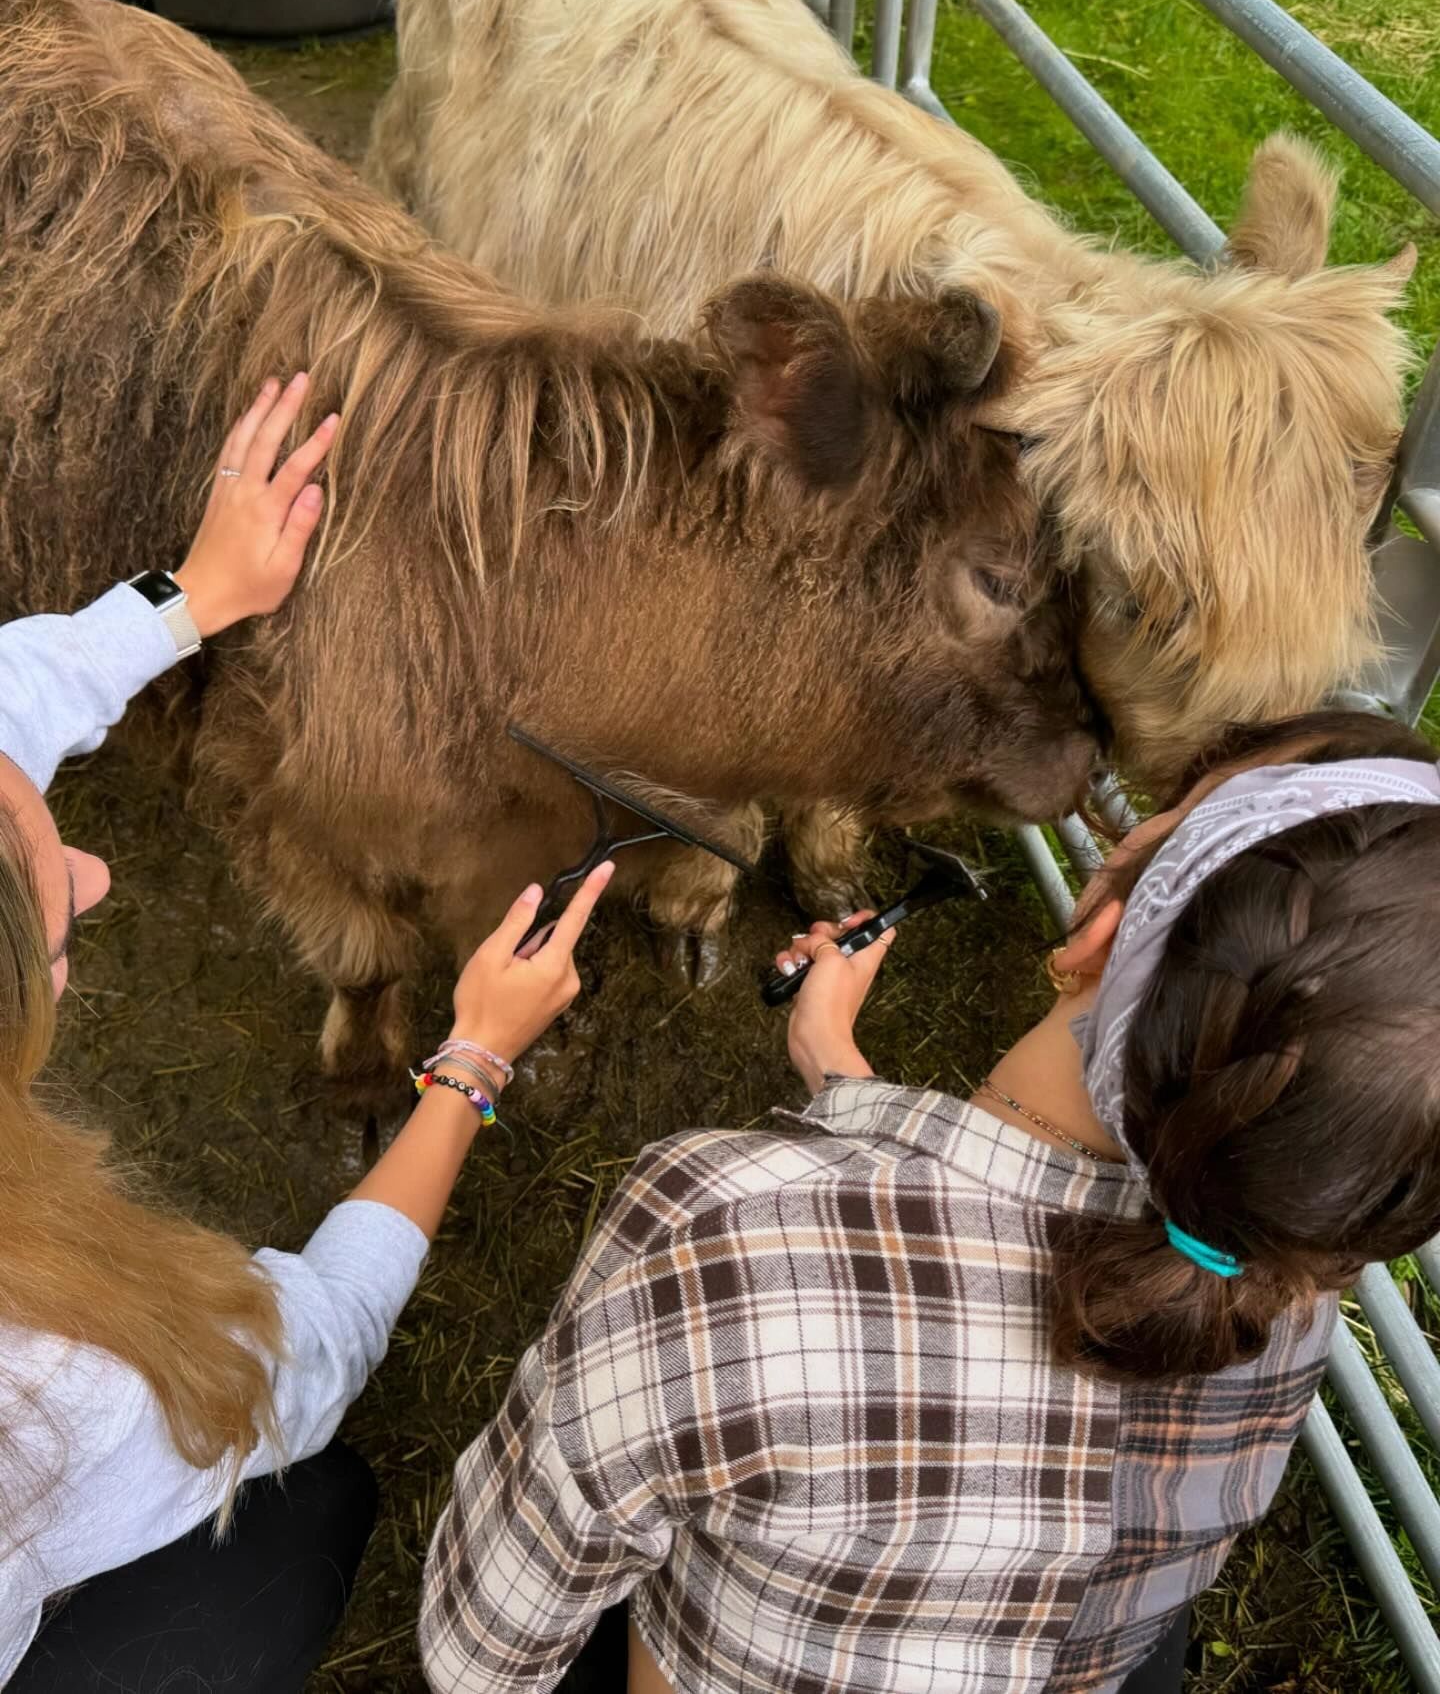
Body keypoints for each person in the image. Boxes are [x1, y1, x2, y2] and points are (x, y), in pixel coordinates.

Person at [420, 708, 1440, 1694]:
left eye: (1151, 824)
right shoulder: (1274, 1286)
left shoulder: (720, 1238)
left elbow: (482, 1648)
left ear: (1093, 935)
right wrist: (836, 1070)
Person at [1, 374, 613, 1694]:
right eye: (54, 906)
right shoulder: (53, 1376)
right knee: (313, 1504)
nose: (99, 878)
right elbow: (312, 1350)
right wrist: (471, 1065)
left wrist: (188, 600)